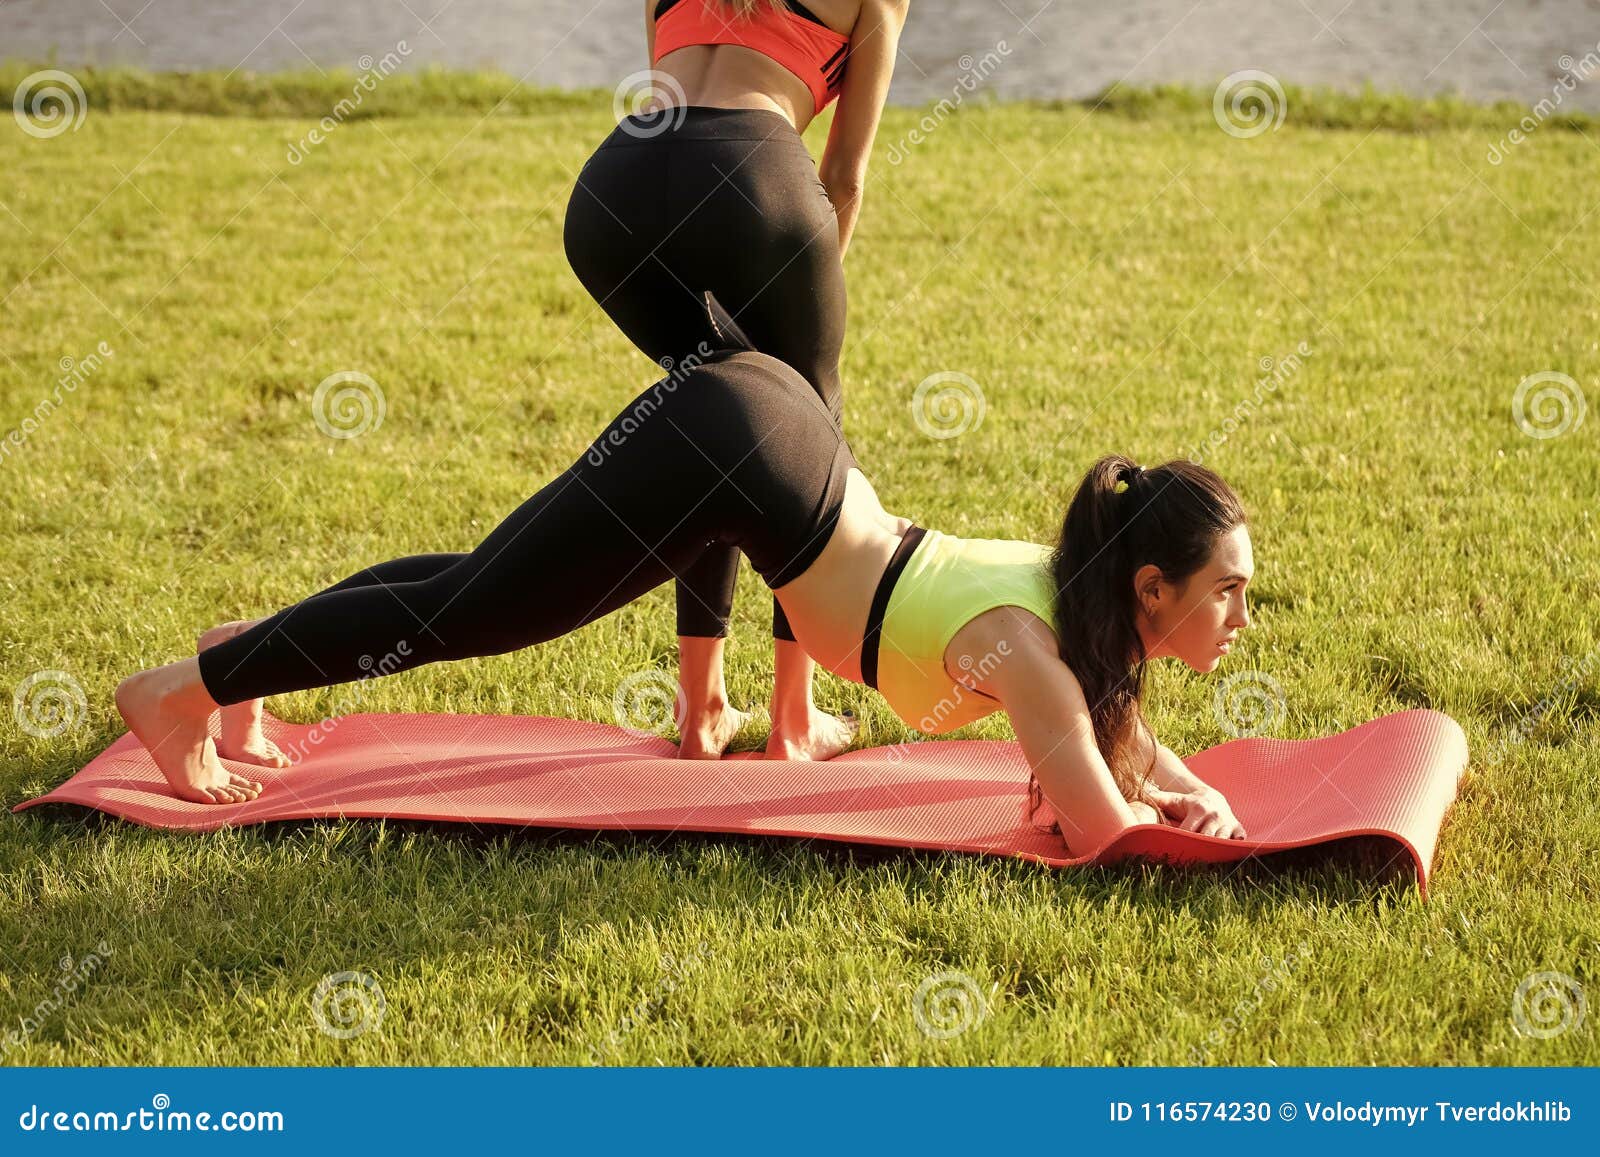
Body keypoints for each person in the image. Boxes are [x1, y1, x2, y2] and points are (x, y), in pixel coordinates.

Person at [116, 346, 1252, 857]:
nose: (1243, 616)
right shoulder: (1033, 654)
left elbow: (1129, 757)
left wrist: (1189, 794)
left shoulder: (1077, 611)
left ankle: (236, 660)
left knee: (472, 583)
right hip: (749, 452)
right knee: (474, 607)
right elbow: (1103, 826)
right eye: (1229, 591)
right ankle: (181, 691)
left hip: (771, 432)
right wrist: (1191, 827)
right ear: (1151, 586)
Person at [562, 0, 908, 762]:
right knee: (806, 432)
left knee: (708, 413)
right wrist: (804, 295)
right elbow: (844, 175)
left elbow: (677, 118)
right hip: (756, 175)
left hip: (615, 191)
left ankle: (701, 710)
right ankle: (793, 718)